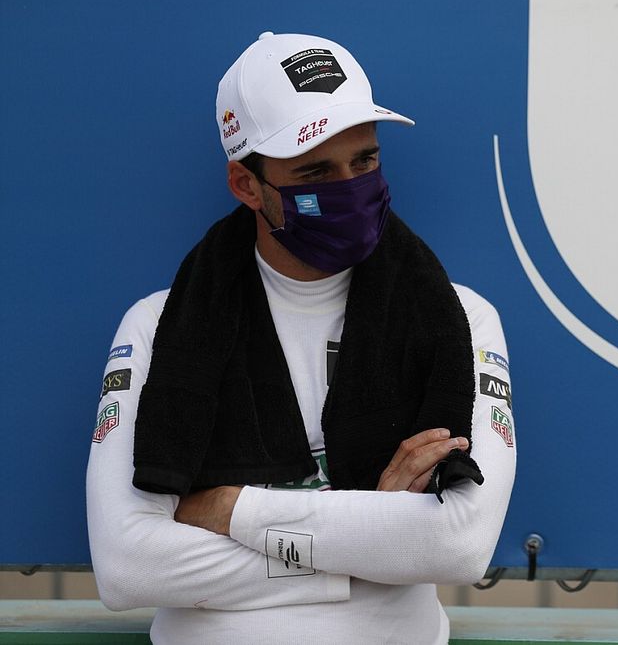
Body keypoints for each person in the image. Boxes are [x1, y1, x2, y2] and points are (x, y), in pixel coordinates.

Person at [86, 32, 516, 645]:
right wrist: (372, 536)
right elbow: (130, 568)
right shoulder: (158, 327)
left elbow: (459, 548)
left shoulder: (458, 318)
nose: (350, 185)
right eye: (316, 170)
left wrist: (226, 508)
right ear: (246, 185)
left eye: (364, 161)